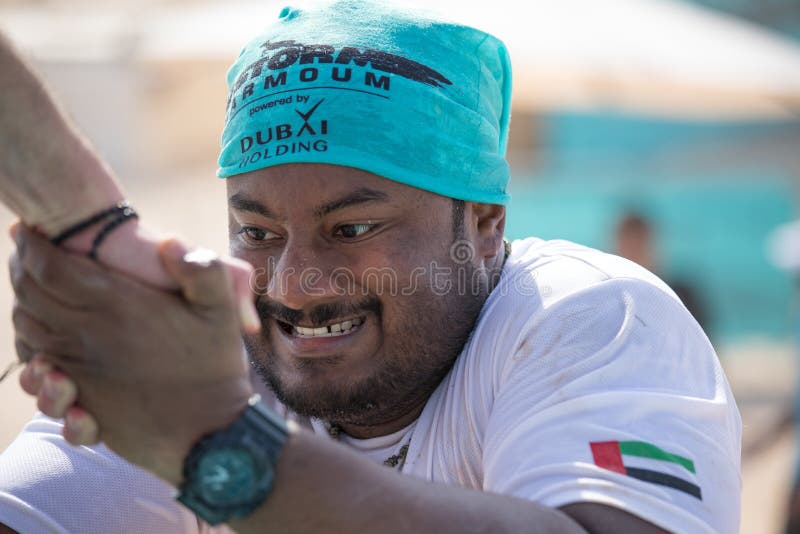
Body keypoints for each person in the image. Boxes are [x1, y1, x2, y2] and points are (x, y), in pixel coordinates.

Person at [0, 1, 741, 533]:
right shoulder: (222, 351)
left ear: (484, 224)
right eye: (256, 231)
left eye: (351, 227)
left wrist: (224, 448)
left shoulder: (587, 314)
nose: (292, 284)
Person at [614, 211, 710, 333]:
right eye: (628, 244)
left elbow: (707, 343)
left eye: (638, 243)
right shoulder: (613, 299)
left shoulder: (681, 295)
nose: (633, 251)